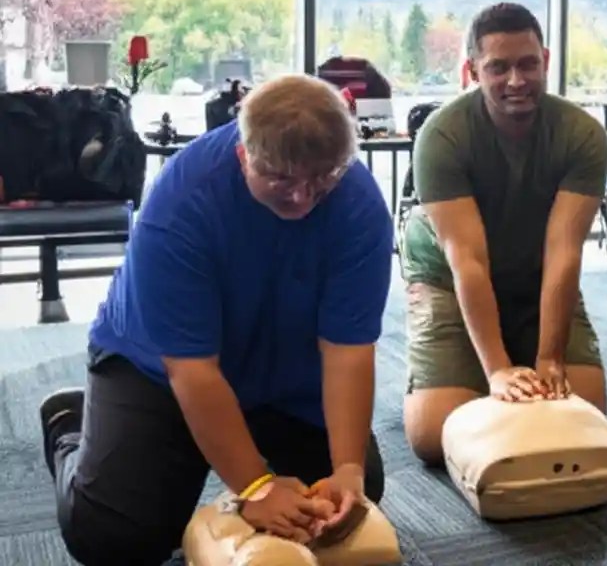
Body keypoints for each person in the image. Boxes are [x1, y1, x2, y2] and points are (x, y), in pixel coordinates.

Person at [38, 75, 393, 566]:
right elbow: (193, 370)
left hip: (283, 368)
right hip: (159, 369)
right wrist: (256, 485)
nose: (303, 198)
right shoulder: (181, 204)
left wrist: (348, 470)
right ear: (245, 156)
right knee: (113, 540)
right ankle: (71, 428)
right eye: (282, 179)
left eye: (321, 180)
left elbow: (349, 350)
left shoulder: (358, 204)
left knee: (351, 500)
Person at [401, 3, 607, 465]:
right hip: (448, 275)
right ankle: (474, 364)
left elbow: (563, 250)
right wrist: (496, 370)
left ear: (546, 61)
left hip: (535, 267)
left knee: (586, 415)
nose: (516, 80)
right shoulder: (442, 136)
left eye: (527, 64)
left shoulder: (582, 134)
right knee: (434, 438)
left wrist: (550, 358)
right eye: (498, 67)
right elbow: (466, 260)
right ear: (472, 70)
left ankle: (520, 355)